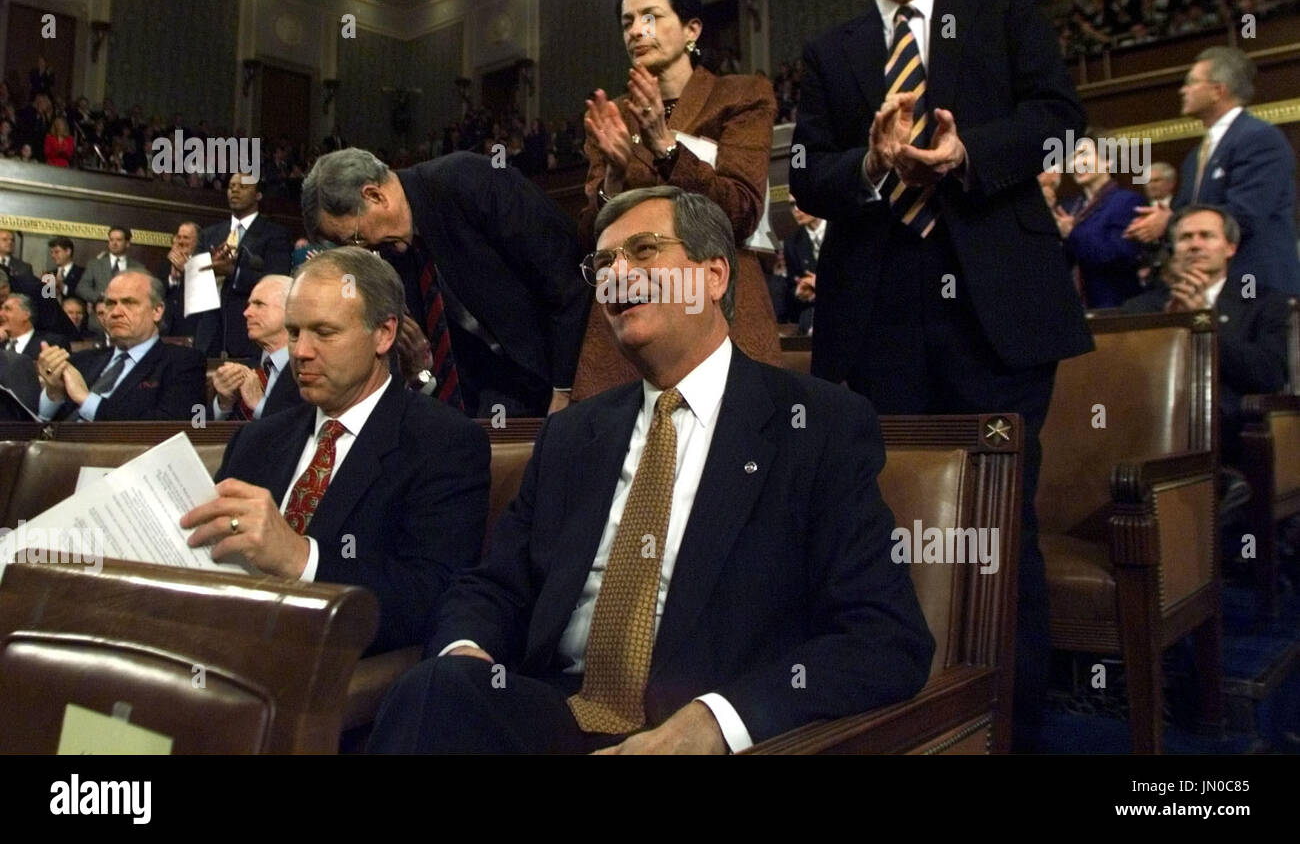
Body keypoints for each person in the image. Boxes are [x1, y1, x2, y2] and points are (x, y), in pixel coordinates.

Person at [368, 187, 932, 754]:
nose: (616, 275)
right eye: (604, 263)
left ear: (714, 275)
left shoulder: (814, 426)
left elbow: (884, 638)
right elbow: (495, 587)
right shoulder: (572, 436)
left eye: (642, 250)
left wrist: (716, 723)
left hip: (704, 721)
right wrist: (468, 650)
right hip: (557, 714)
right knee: (436, 689)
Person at [789, 0, 1091, 751]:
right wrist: (874, 165)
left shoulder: (1002, 13)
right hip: (875, 325)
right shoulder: (832, 53)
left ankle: (1012, 726)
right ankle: (909, 716)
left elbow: (1059, 115)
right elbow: (807, 170)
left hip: (998, 320)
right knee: (890, 528)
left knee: (1000, 525)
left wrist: (967, 157)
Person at [180, 248, 490, 654]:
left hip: (324, 664)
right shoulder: (256, 440)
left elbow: (430, 597)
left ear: (384, 333)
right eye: (293, 333)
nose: (301, 352)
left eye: (324, 333)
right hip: (213, 638)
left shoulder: (443, 443)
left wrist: (302, 559)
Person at [574, 0, 781, 398]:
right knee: (619, 445)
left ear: (692, 29)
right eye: (627, 22)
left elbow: (741, 210)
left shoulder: (742, 95)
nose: (636, 30)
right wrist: (613, 173)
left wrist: (666, 146)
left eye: (650, 16)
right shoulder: (613, 115)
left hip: (717, 295)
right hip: (629, 301)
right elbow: (589, 233)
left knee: (731, 442)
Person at [301, 148, 589, 419]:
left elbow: (566, 278)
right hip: (493, 400)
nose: (360, 249)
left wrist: (565, 389)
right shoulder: (390, 258)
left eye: (354, 238)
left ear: (374, 196)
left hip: (567, 376)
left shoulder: (467, 181)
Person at [1123, 47, 1300, 296]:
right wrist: (1161, 217)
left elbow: (1245, 214)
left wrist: (1170, 221)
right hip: (1212, 289)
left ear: (1218, 90)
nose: (1182, 90)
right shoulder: (1196, 156)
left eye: (1192, 83)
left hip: (1258, 286)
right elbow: (1187, 210)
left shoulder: (1259, 138)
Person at [1122, 206, 1288, 462]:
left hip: (1230, 423)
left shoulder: (1264, 303)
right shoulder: (1140, 308)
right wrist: (1170, 328)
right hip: (1150, 413)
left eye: (1206, 236)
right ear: (1174, 248)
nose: (1195, 245)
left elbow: (1269, 375)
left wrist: (1203, 322)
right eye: (1186, 237)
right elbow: (1125, 374)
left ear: (1230, 248)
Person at [35, 271, 205, 421]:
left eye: (129, 303)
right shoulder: (81, 361)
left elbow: (166, 427)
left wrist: (86, 400)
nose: (115, 313)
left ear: (157, 311)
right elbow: (46, 427)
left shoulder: (183, 363)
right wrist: (54, 393)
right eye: (110, 304)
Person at [196, 175, 293, 357]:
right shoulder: (209, 235)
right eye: (231, 186)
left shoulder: (274, 234)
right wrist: (204, 269)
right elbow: (195, 284)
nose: (235, 190)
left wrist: (235, 272)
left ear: (258, 195)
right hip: (208, 334)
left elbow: (277, 283)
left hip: (248, 333)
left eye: (243, 186)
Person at [1054, 136, 1146, 308]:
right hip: (1074, 309)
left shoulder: (1127, 201)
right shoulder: (1070, 207)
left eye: (1083, 155)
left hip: (1114, 306)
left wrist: (1071, 233)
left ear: (1108, 161)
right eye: (1071, 158)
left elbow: (1117, 255)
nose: (1076, 163)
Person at [210, 275, 298, 420]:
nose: (246, 313)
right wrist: (224, 403)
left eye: (259, 304)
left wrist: (259, 404)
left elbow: (302, 427)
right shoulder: (241, 371)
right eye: (249, 305)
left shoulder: (308, 370)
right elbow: (200, 430)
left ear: (291, 310)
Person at [73, 225, 147, 314]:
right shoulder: (95, 264)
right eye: (111, 240)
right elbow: (81, 288)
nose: (114, 243)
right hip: (99, 318)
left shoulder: (138, 268)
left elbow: (143, 292)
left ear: (127, 243)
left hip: (127, 317)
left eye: (118, 240)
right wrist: (100, 297)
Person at [783, 198, 825, 334]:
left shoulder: (844, 230)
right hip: (811, 315)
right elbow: (790, 288)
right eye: (792, 205)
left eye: (800, 201)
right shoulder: (792, 243)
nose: (796, 209)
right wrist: (800, 292)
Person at [156, 221, 202, 339]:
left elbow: (203, 296)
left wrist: (186, 271)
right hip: (166, 328)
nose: (181, 241)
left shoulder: (203, 263)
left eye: (186, 238)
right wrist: (172, 279)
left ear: (197, 241)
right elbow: (156, 291)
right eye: (179, 237)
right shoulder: (166, 264)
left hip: (192, 328)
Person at [1, 291, 69, 359]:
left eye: (7, 309)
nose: (0, 314)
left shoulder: (52, 343)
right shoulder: (1, 342)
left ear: (26, 315)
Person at [44, 236, 83, 303]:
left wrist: (61, 285)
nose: (53, 256)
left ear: (68, 251)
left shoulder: (82, 273)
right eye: (52, 252)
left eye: (56, 252)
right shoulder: (49, 274)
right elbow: (45, 300)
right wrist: (41, 286)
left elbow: (81, 296)